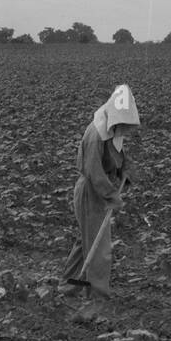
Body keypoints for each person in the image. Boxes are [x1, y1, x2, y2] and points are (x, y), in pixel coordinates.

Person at [59, 84, 140, 323]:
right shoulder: (95, 134)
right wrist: (111, 196)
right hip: (90, 191)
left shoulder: (112, 129)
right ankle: (97, 297)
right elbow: (94, 172)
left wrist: (125, 170)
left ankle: (68, 287)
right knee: (100, 247)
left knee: (86, 240)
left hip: (99, 189)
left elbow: (119, 157)